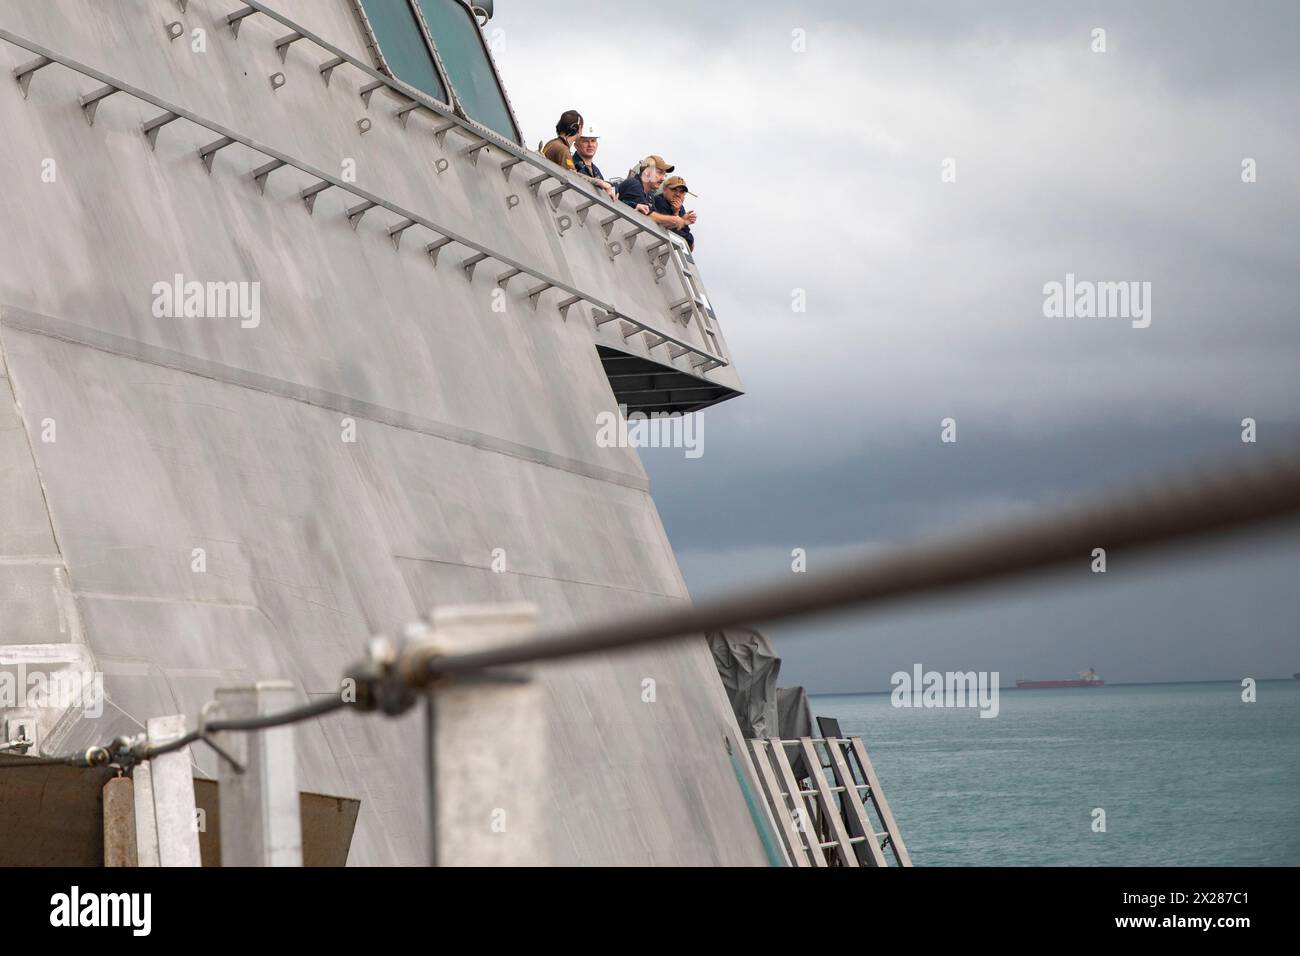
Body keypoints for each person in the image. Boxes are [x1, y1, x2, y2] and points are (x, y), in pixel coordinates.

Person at [616, 155, 679, 226]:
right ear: (647, 172)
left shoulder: (650, 196)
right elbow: (648, 215)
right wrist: (676, 219)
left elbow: (657, 221)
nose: (663, 179)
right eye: (660, 172)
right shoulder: (634, 184)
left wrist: (677, 217)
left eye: (664, 175)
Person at [571, 124, 616, 199]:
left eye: (593, 141)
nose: (590, 145)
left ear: (597, 144)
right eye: (585, 141)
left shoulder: (596, 170)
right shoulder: (571, 164)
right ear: (576, 145)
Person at [654, 175, 698, 250]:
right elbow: (671, 234)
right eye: (674, 190)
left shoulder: (680, 208)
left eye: (681, 192)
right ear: (664, 189)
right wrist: (678, 216)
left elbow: (690, 244)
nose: (678, 194)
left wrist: (678, 214)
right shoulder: (659, 201)